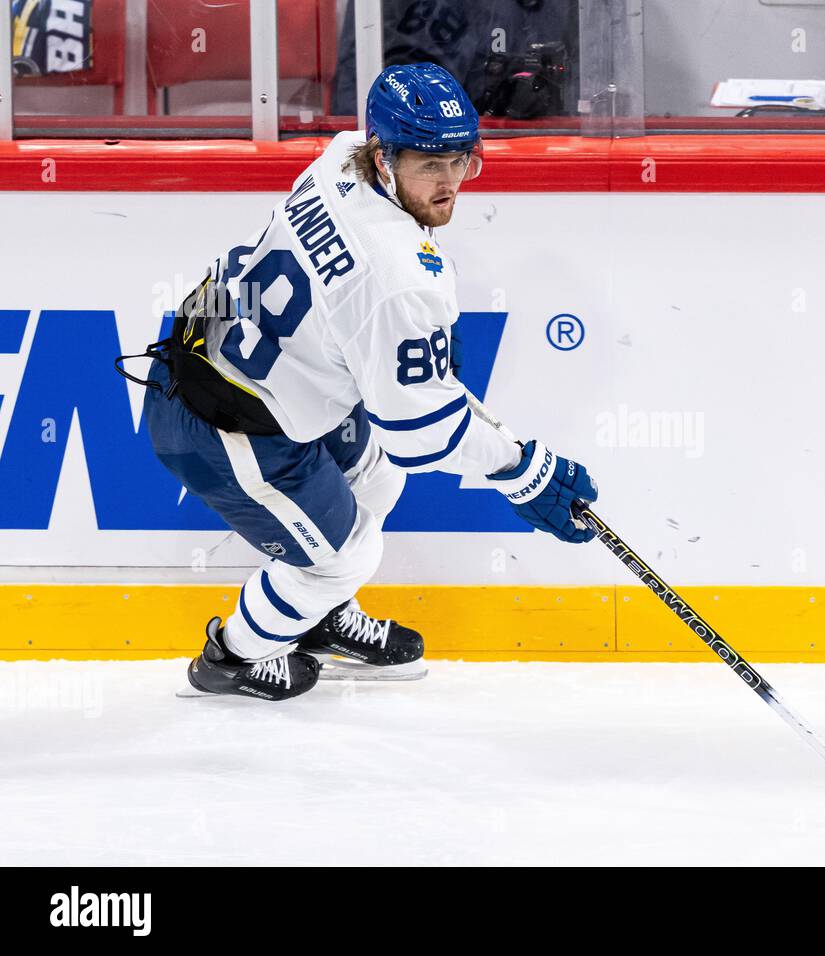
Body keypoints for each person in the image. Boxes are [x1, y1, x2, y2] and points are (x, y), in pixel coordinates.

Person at [137, 63, 598, 701]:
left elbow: (371, 278)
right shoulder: (395, 281)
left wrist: (424, 332)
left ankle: (315, 617)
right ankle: (232, 657)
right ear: (383, 158)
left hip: (241, 364)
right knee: (348, 557)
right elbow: (420, 434)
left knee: (376, 476)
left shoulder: (339, 157)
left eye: (460, 160)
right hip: (217, 419)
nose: (449, 184)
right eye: (429, 165)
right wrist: (524, 472)